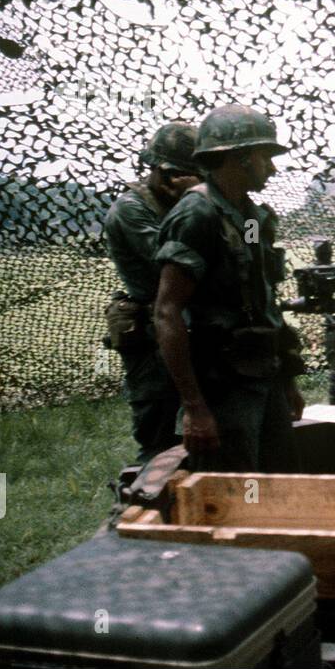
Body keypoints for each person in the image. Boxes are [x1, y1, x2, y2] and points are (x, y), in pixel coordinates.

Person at [153, 104, 307, 472]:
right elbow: (166, 311)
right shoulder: (197, 215)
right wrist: (195, 409)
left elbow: (262, 298)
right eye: (264, 157)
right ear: (238, 159)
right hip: (223, 388)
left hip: (262, 378)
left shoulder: (250, 217)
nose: (271, 167)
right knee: (234, 491)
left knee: (278, 480)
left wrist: (286, 379)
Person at [103, 122, 201, 465]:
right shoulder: (130, 209)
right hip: (152, 331)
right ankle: (143, 505)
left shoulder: (191, 203)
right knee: (156, 436)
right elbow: (175, 258)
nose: (182, 183)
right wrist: (197, 200)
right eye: (177, 174)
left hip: (190, 324)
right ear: (158, 170)